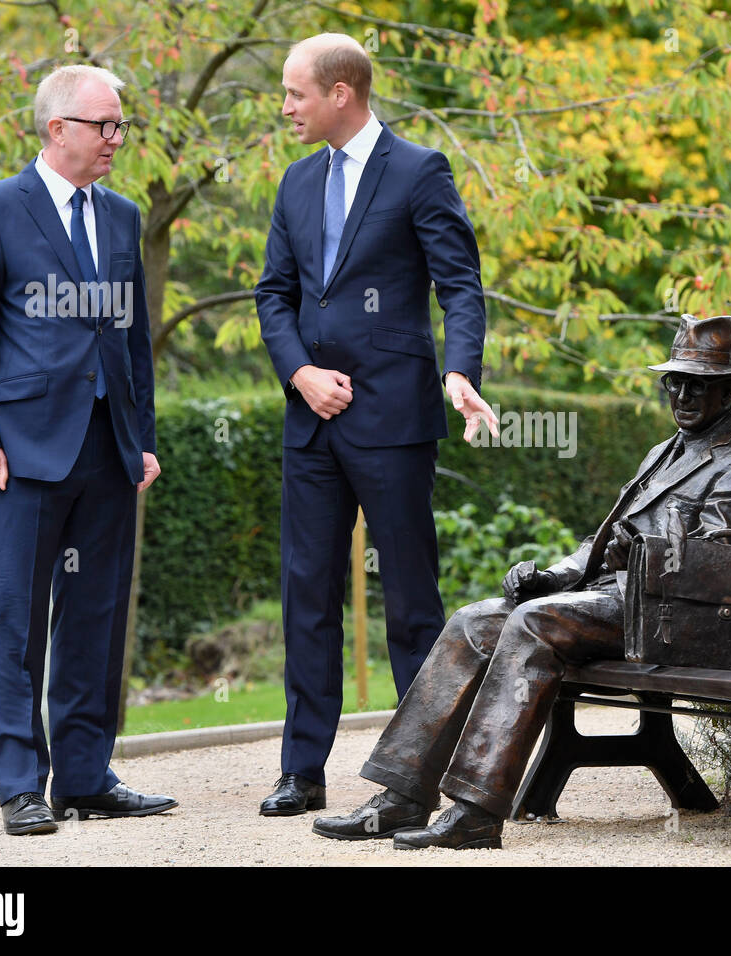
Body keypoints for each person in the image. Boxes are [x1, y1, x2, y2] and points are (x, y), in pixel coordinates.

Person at [311, 314, 731, 849]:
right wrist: (551, 577)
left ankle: (476, 810)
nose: (683, 393)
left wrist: (650, 554)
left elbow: (726, 568)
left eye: (699, 383)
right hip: (609, 601)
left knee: (534, 623)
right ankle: (403, 795)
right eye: (675, 380)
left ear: (728, 389)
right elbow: (597, 543)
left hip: (671, 616)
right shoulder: (664, 452)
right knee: (474, 621)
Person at [255, 33, 498, 816]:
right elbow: (274, 294)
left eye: (295, 93)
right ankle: (302, 770)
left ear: (341, 93)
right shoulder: (294, 183)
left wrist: (460, 372)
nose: (285, 107)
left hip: (394, 418)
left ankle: (417, 770)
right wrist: (299, 373)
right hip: (311, 425)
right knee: (308, 596)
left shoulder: (420, 170)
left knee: (411, 600)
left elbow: (461, 286)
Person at [0, 64, 175, 835]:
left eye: (120, 127)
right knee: (16, 622)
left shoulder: (121, 215)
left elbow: (134, 341)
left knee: (96, 619)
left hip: (107, 450)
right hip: (22, 452)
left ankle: (84, 776)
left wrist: (139, 440)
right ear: (57, 130)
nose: (116, 139)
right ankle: (20, 784)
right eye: (103, 126)